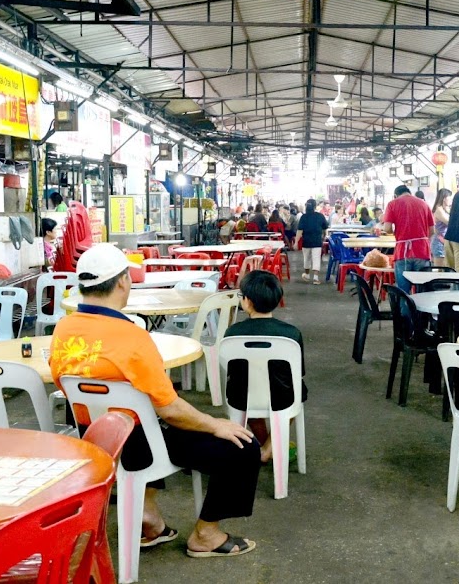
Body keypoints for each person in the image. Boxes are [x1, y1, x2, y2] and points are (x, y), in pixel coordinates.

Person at [50, 244, 261, 558]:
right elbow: (171, 409)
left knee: (147, 416)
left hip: (93, 439)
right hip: (138, 446)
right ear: (123, 282)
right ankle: (206, 535)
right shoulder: (132, 337)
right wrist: (215, 424)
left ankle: (150, 519)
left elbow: (63, 385)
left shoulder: (64, 328)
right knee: (242, 447)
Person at [223, 270, 307, 462]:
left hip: (241, 397)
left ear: (247, 301)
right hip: (283, 398)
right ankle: (269, 447)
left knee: (246, 392)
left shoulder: (233, 333)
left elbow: (231, 372)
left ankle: (265, 447)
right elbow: (298, 373)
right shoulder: (291, 334)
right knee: (298, 392)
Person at [383, 185, 434, 293]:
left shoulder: (393, 204)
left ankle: (405, 310)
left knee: (403, 292)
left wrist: (396, 233)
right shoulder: (424, 204)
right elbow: (432, 231)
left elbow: (387, 228)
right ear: (409, 192)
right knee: (422, 290)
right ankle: (420, 310)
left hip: (403, 252)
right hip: (422, 251)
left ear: (395, 195)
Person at [296, 198, 329, 284]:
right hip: (317, 241)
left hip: (306, 241)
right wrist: (324, 236)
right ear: (315, 206)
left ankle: (307, 275)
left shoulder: (303, 217)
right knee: (316, 258)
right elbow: (325, 228)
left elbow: (299, 231)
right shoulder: (320, 216)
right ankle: (315, 278)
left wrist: (296, 242)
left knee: (306, 258)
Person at [431, 188, 452, 267]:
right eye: (450, 197)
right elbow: (450, 223)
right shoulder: (439, 210)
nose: (451, 200)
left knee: (444, 269)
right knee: (440, 270)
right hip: (439, 242)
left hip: (443, 241)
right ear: (444, 198)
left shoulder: (444, 209)